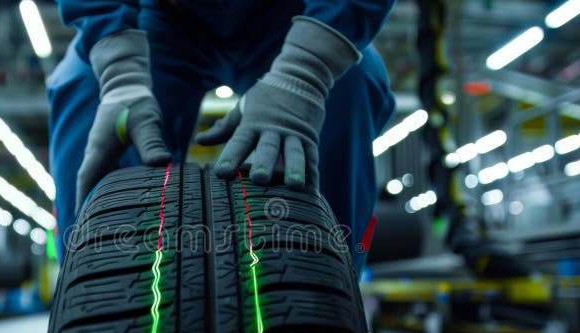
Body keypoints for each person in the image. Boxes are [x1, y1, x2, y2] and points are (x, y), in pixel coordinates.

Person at [49, 0, 397, 272]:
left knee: (352, 84)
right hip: (162, 17)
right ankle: (95, 301)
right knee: (87, 91)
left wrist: (306, 72)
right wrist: (119, 75)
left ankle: (329, 298)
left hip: (289, 10)